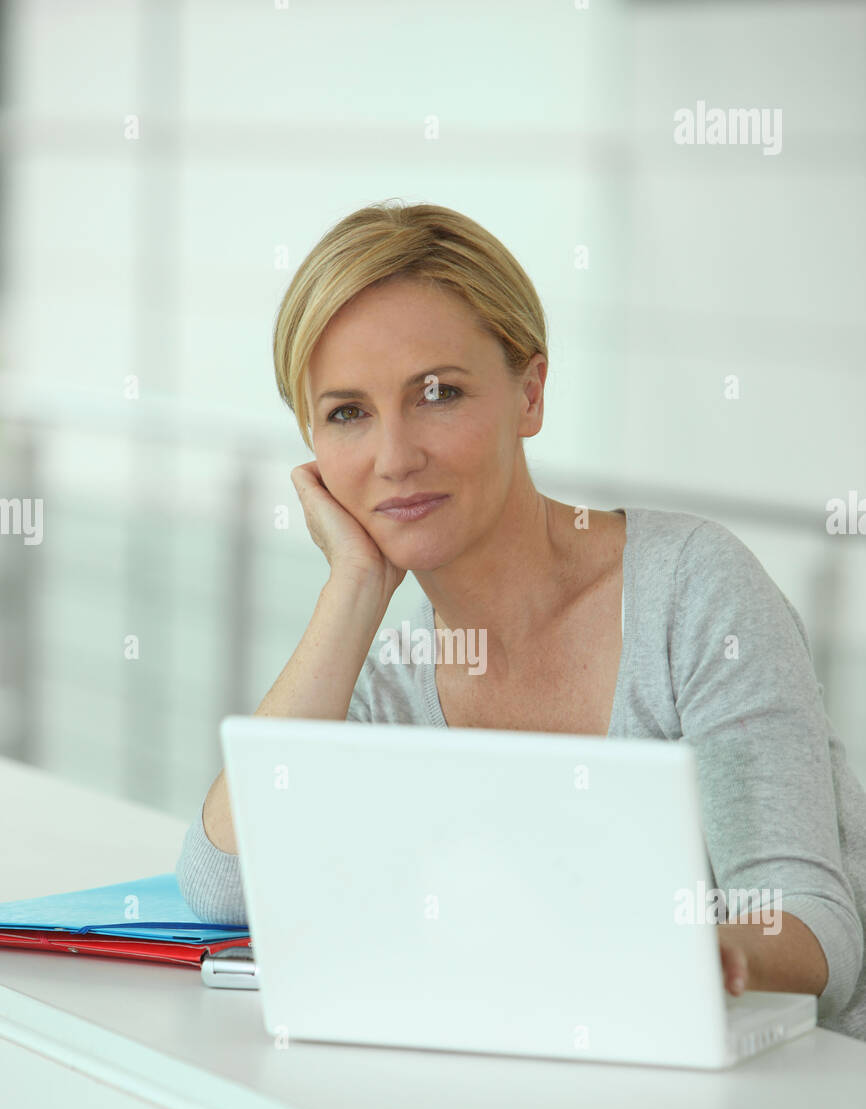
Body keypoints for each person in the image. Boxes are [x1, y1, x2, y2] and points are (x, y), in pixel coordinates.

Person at [176, 200, 866, 1041]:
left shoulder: (692, 591)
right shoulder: (387, 670)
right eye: (347, 413)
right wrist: (354, 589)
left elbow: (813, 925)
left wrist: (676, 949)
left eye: (438, 394)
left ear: (530, 392)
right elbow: (221, 886)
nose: (395, 457)